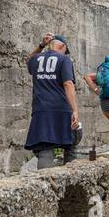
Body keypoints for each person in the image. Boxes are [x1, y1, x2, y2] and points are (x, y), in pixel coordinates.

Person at [24, 32, 81, 167]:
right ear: (62, 46)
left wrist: (41, 46)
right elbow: (68, 84)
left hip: (41, 109)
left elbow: (28, 60)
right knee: (71, 144)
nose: (65, 54)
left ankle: (44, 183)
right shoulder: (64, 60)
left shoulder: (37, 59)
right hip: (61, 109)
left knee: (45, 148)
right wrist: (75, 110)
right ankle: (71, 181)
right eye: (65, 51)